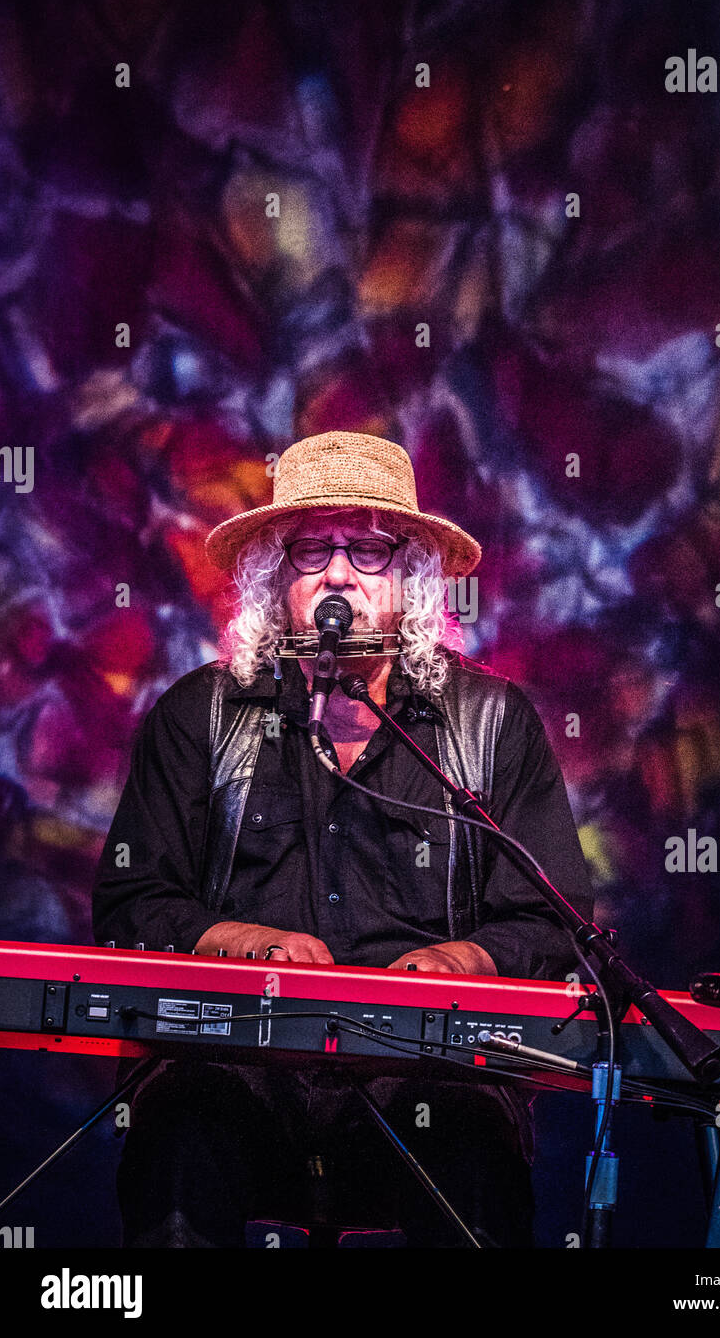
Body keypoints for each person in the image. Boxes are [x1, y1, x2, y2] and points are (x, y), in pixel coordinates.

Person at [93, 430, 593, 1247]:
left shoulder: (493, 722)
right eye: (310, 550)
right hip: (236, 1068)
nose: (337, 574)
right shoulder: (200, 713)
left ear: (411, 578)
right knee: (180, 1120)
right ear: (271, 575)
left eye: (368, 549)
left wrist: (458, 962)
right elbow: (129, 900)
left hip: (427, 1076)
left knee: (472, 1140)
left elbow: (551, 920)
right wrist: (240, 939)